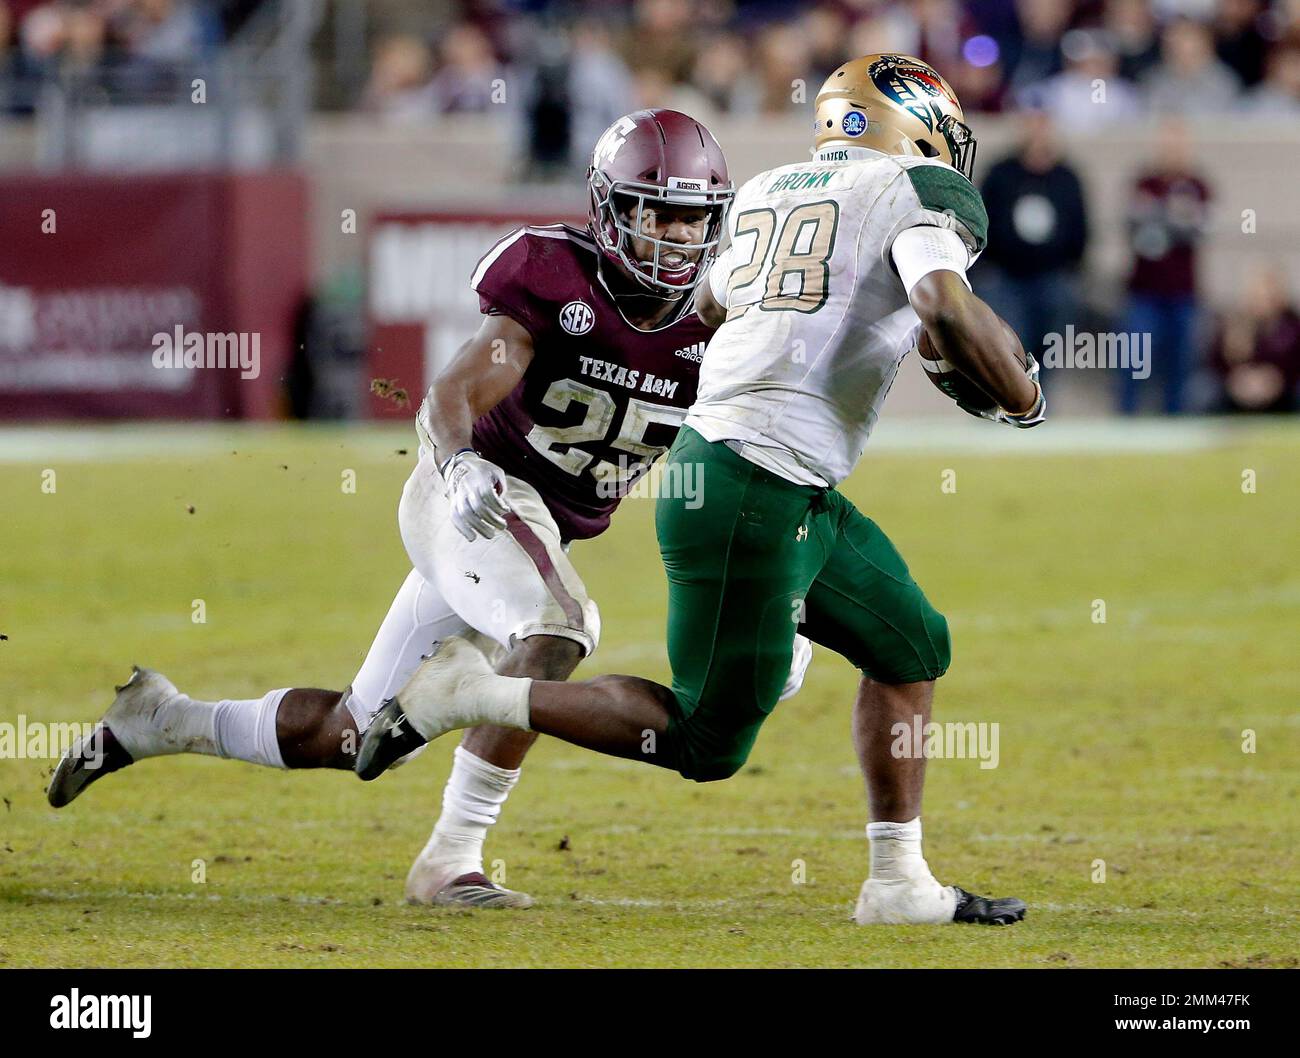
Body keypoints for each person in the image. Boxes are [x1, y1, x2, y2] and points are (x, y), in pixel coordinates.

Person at [48, 109, 813, 909]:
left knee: (352, 733)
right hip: (476, 502)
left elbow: (750, 469)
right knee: (557, 629)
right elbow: (453, 390)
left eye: (692, 216)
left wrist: (778, 608)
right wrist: (460, 463)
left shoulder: (726, 320)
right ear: (609, 209)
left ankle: (159, 720)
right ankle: (451, 859)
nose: (673, 235)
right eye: (653, 210)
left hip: (532, 535)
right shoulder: (553, 273)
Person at [359, 54, 1039, 927]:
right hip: (754, 488)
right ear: (916, 122)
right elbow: (943, 304)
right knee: (704, 743)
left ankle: (898, 883)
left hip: (765, 478)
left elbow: (714, 310)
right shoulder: (923, 188)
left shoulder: (768, 188)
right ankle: (473, 693)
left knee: (911, 645)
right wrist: (1021, 394)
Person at [974, 108, 1088, 372]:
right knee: (1009, 353)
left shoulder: (1066, 177)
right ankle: (1010, 407)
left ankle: (1042, 407)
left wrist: (1073, 269)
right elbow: (980, 220)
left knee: (1049, 352)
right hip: (1006, 279)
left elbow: (1080, 228)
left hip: (1053, 278)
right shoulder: (1000, 173)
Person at [1119, 119, 1212, 415]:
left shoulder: (1198, 185)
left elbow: (1199, 230)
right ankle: (1127, 421)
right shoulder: (1144, 182)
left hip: (1182, 292)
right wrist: (1174, 215)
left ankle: (1176, 421)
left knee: (1180, 365)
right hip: (1144, 291)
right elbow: (1134, 226)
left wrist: (1159, 215)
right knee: (1134, 361)